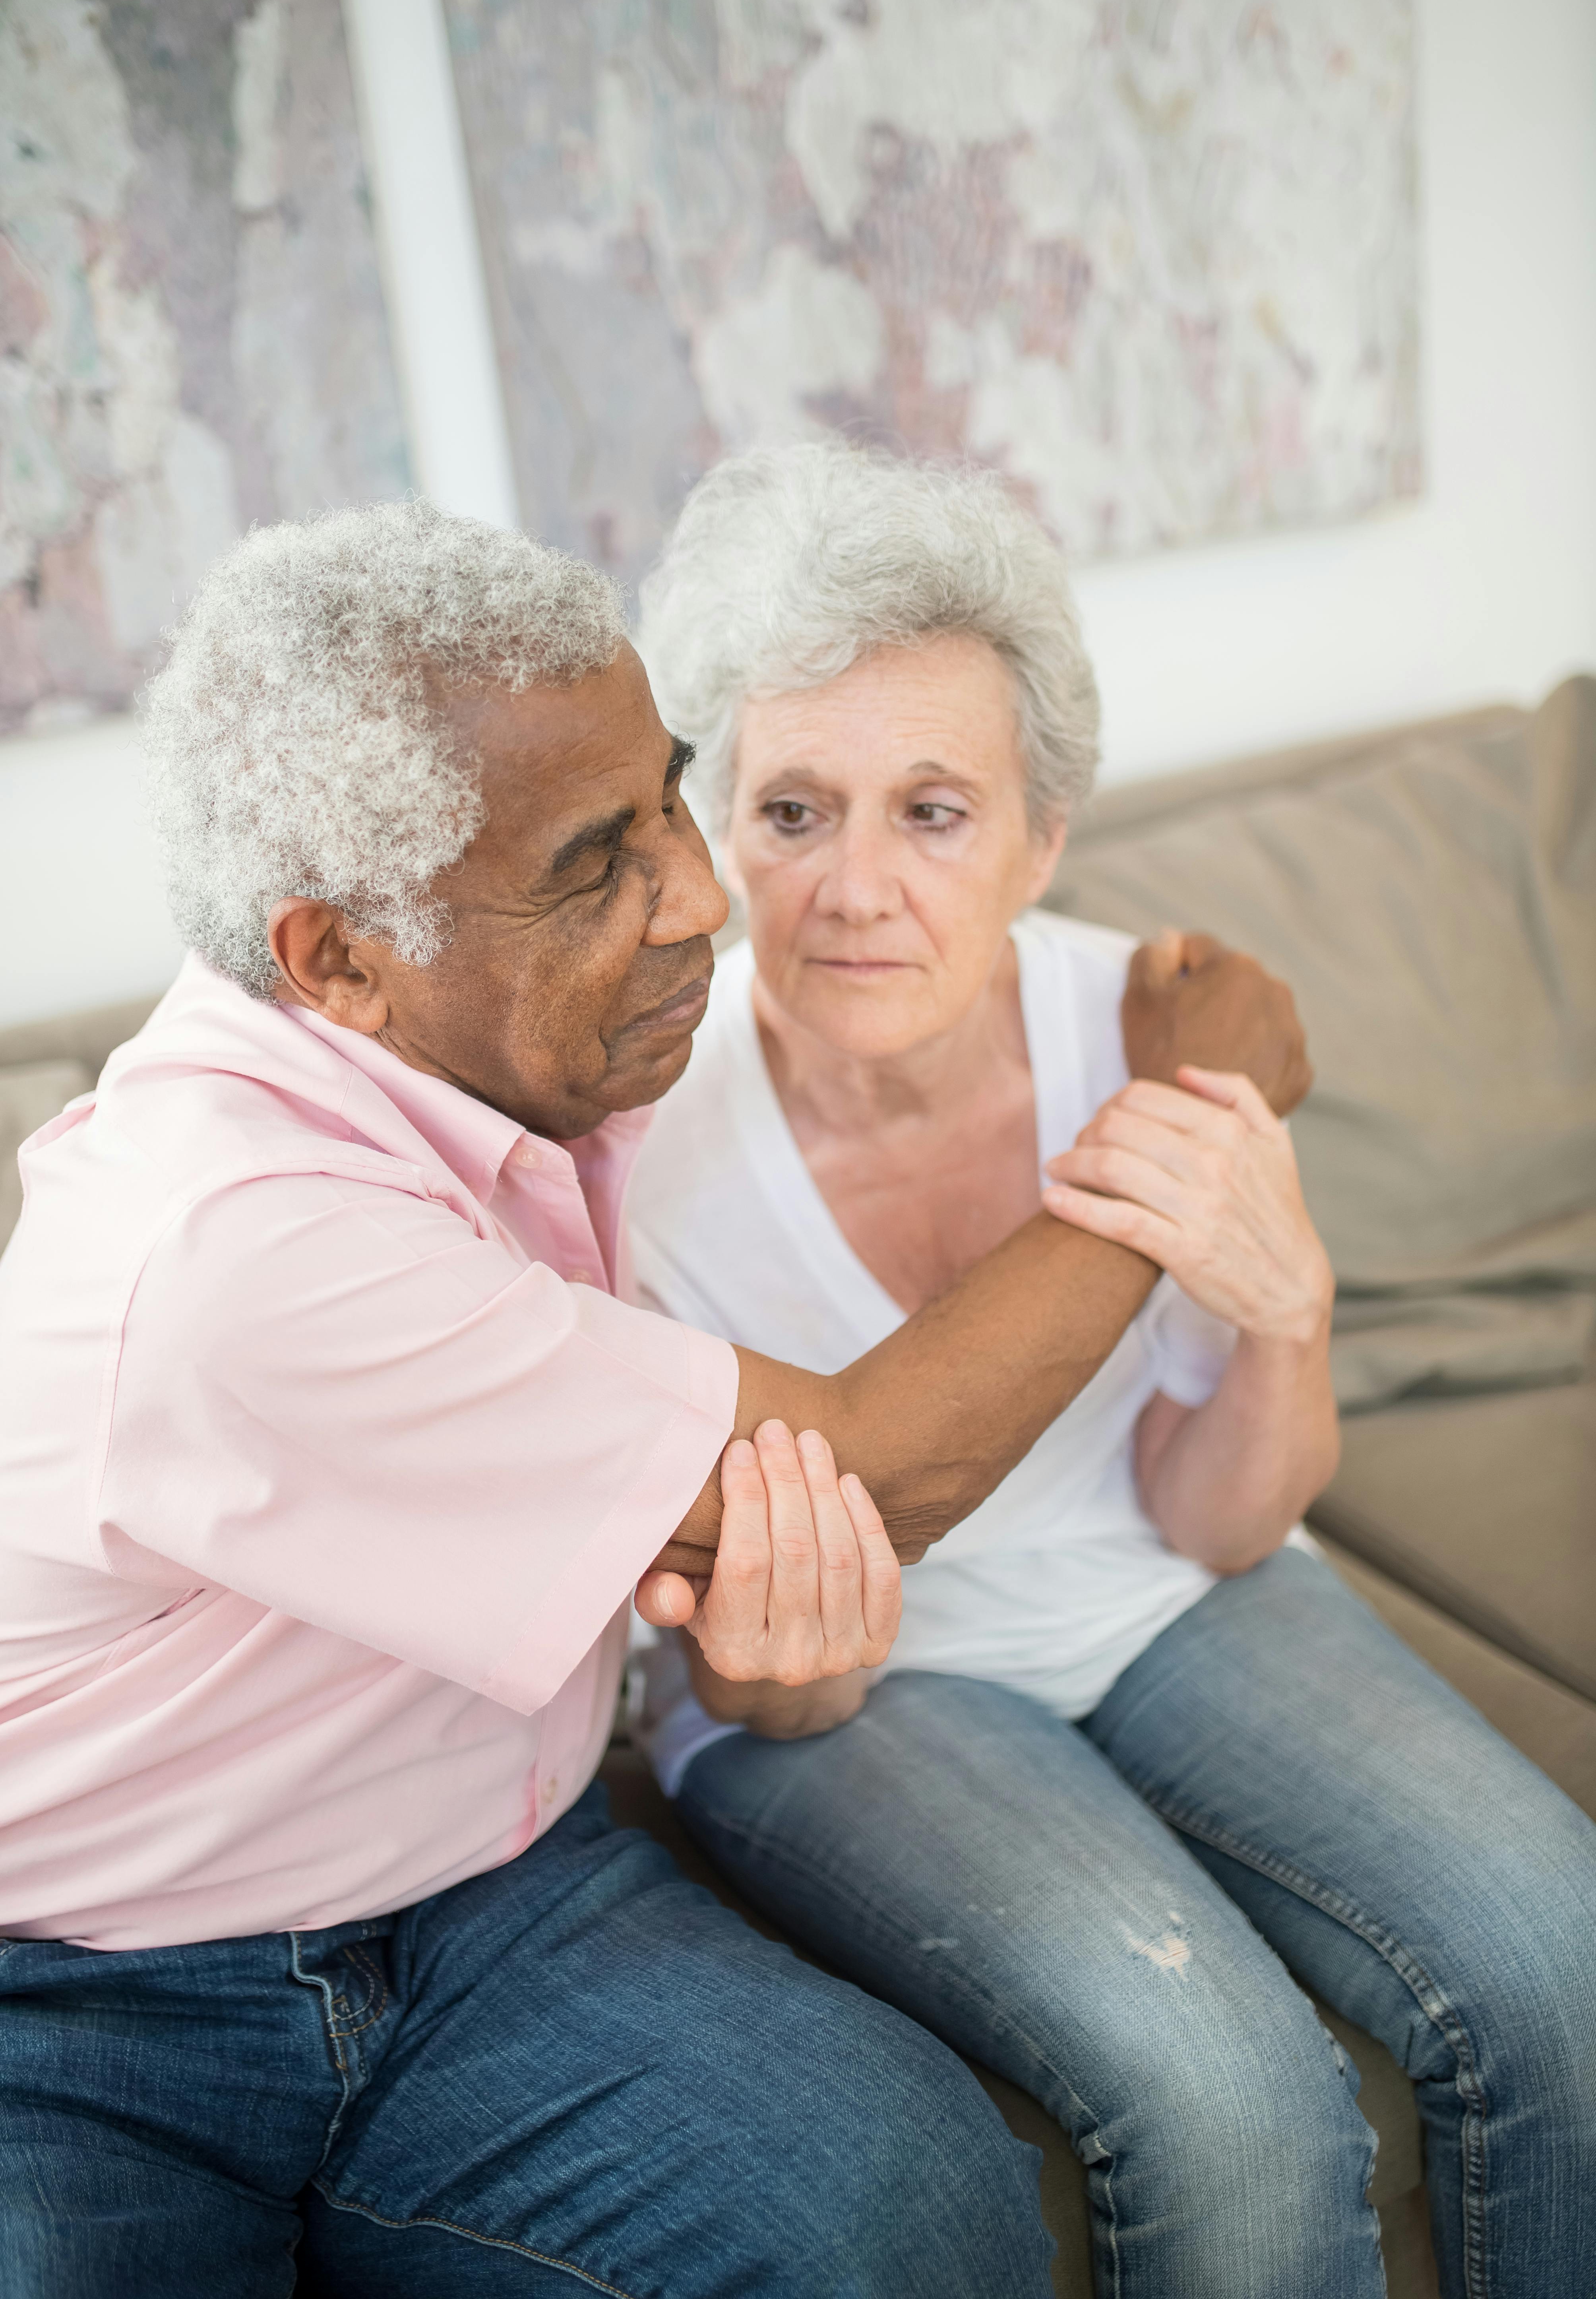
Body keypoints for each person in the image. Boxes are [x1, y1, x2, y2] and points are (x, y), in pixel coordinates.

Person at [0, 498, 1308, 2298]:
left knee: (907, 2191)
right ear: (338, 962)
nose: (700, 899)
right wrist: (1193, 1110)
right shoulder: (247, 1249)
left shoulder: (512, 1047)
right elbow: (870, 1466)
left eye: (672, 800)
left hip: (488, 1888)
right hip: (93, 1989)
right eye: (593, 862)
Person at [626, 442, 1596, 2299]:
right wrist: (783, 1669)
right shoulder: (641, 1149)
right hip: (867, 1688)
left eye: (930, 810)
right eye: (791, 811)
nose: (853, 891)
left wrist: (1285, 1314)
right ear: (711, 829)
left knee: (1557, 1942)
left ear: (1039, 834)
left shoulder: (1140, 1033)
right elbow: (751, 1686)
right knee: (1225, 2093)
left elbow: (1212, 1515)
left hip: (1168, 1584)